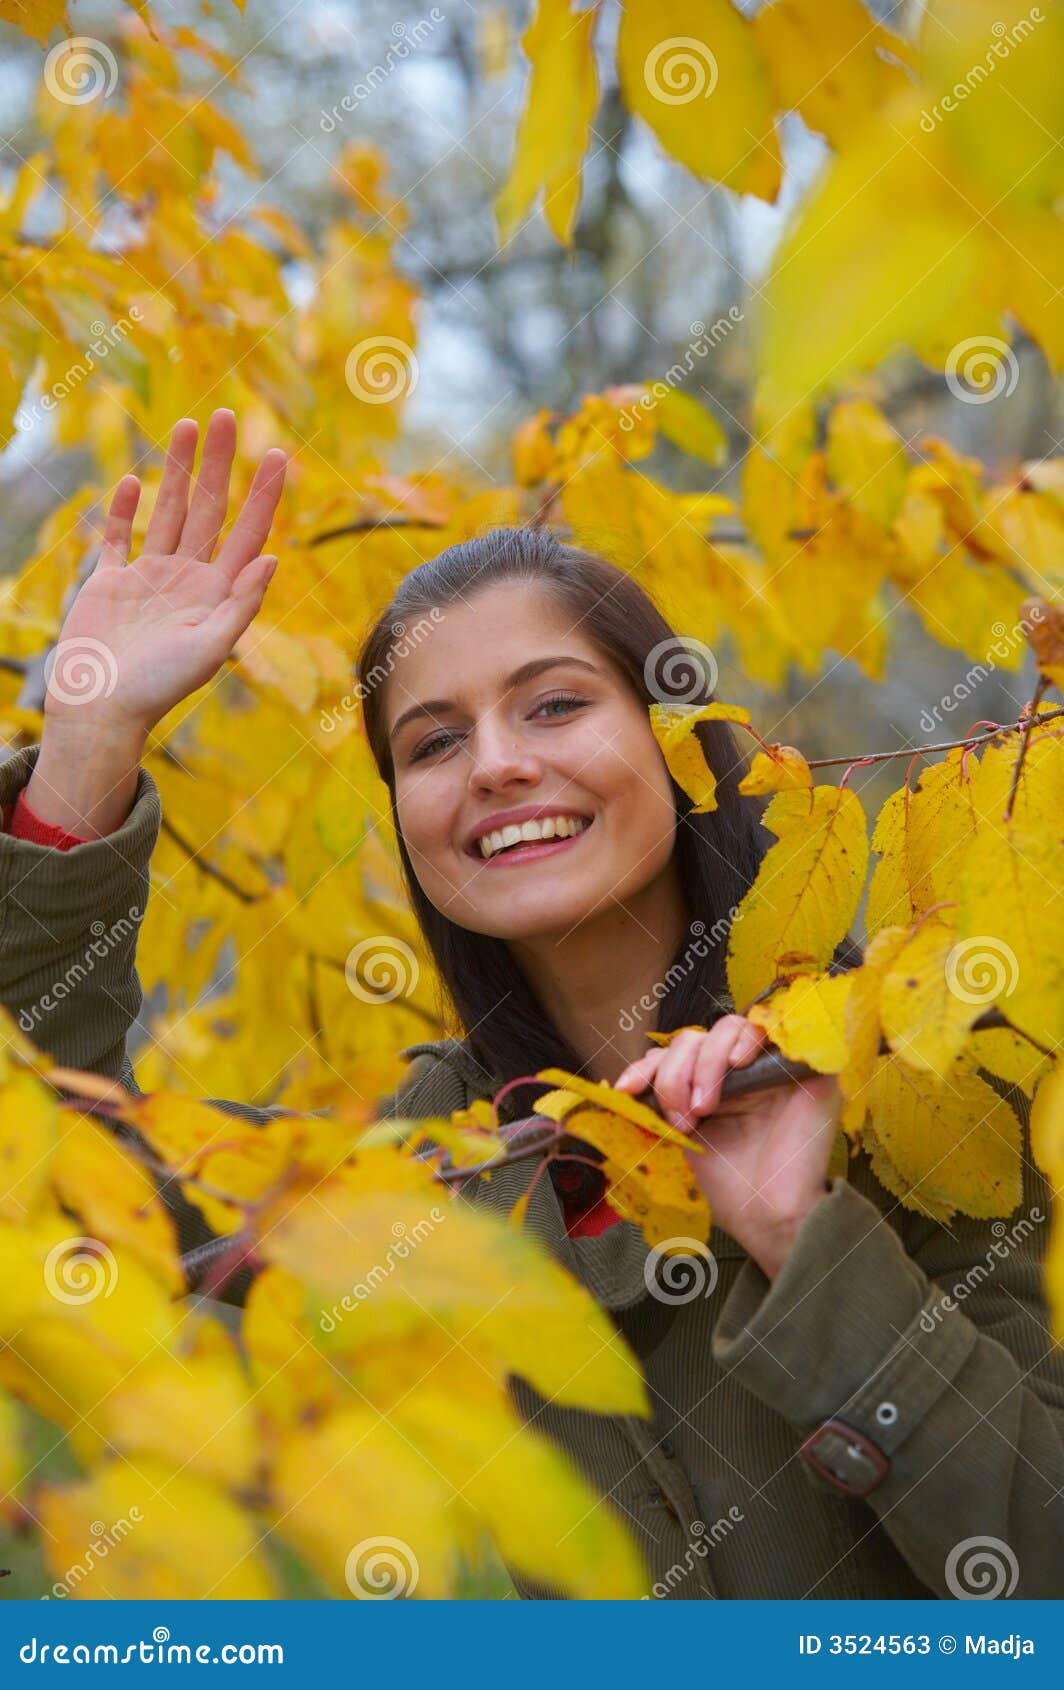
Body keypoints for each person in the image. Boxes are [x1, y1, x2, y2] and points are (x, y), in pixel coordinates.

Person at [1, 410, 1061, 1600]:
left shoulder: (913, 1074)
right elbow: (46, 1195)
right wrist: (85, 749)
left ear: (677, 743)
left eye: (553, 705)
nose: (496, 763)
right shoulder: (417, 1170)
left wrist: (801, 1245)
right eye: (433, 742)